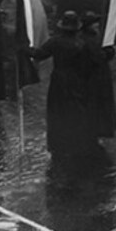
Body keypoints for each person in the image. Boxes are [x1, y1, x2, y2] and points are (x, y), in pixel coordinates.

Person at [30, 11, 97, 158]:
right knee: (76, 110)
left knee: (57, 111)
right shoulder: (82, 43)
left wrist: (25, 49)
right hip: (78, 81)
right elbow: (91, 64)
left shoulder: (55, 41)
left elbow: (39, 54)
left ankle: (59, 143)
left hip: (59, 80)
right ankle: (76, 142)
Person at [80, 12, 116, 139]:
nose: (97, 25)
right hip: (95, 77)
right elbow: (99, 57)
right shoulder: (89, 40)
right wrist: (109, 52)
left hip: (97, 75)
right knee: (97, 103)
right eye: (94, 23)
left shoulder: (93, 38)